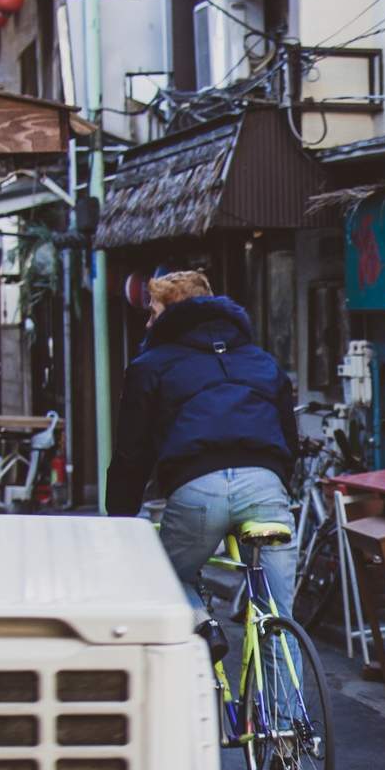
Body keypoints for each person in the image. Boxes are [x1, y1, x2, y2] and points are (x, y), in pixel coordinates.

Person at [106, 271, 299, 660]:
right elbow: (287, 435)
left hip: (199, 487)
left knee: (163, 577)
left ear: (175, 312)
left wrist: (121, 518)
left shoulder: (151, 365)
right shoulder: (261, 360)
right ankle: (286, 719)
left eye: (153, 312)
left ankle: (202, 624)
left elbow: (132, 453)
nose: (147, 323)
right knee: (277, 616)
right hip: (266, 485)